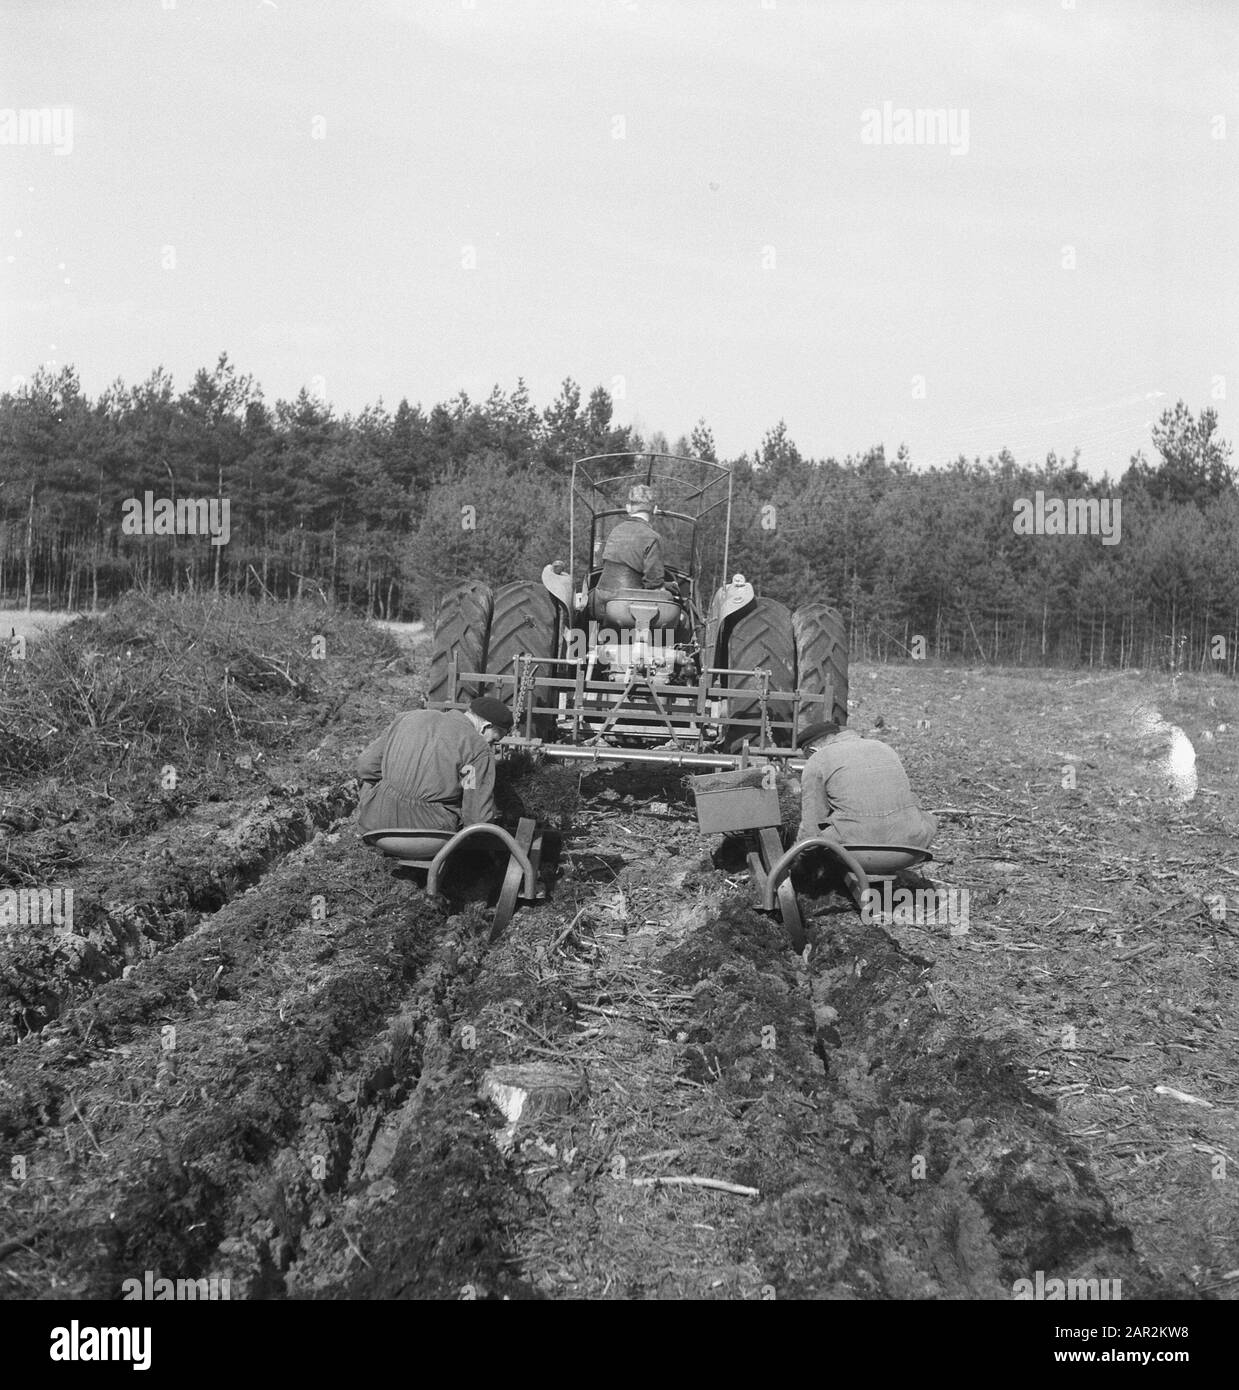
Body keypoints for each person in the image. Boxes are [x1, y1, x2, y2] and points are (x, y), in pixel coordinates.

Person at [355, 695, 514, 835]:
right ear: (485, 726)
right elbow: (476, 815)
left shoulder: (407, 718)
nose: (491, 746)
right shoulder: (476, 748)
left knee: (372, 783)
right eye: (493, 740)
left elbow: (366, 765)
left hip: (375, 824)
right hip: (429, 835)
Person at [795, 721, 936, 849]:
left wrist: (795, 860)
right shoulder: (883, 747)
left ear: (812, 750)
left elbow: (810, 828)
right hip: (911, 846)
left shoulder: (818, 760)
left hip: (856, 850)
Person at [597, 482, 672, 599]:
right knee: (669, 600)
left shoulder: (615, 530)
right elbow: (653, 584)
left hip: (600, 599)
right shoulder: (652, 537)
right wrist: (665, 588)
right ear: (655, 509)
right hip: (627, 603)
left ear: (628, 508)